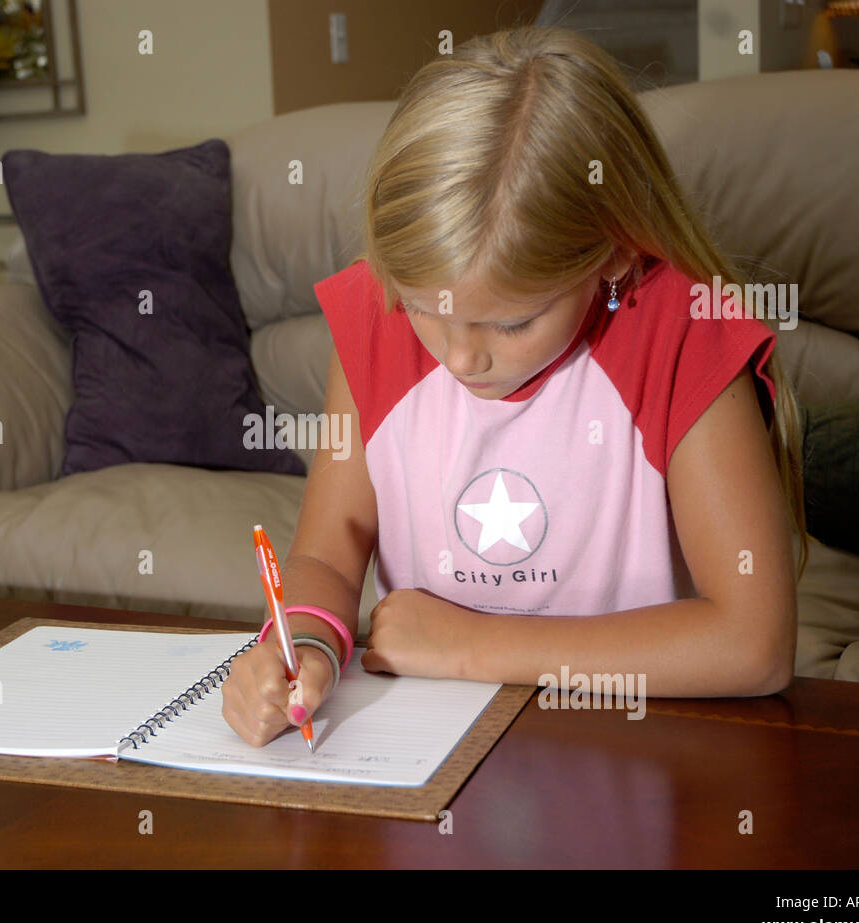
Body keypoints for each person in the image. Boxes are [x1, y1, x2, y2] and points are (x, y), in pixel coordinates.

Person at [221, 25, 808, 749]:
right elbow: (328, 550)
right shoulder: (378, 318)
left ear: (614, 253)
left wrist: (471, 645)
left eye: (512, 322)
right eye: (428, 309)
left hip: (638, 750)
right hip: (431, 750)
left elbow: (753, 644)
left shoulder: (686, 336)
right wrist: (303, 644)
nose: (461, 358)